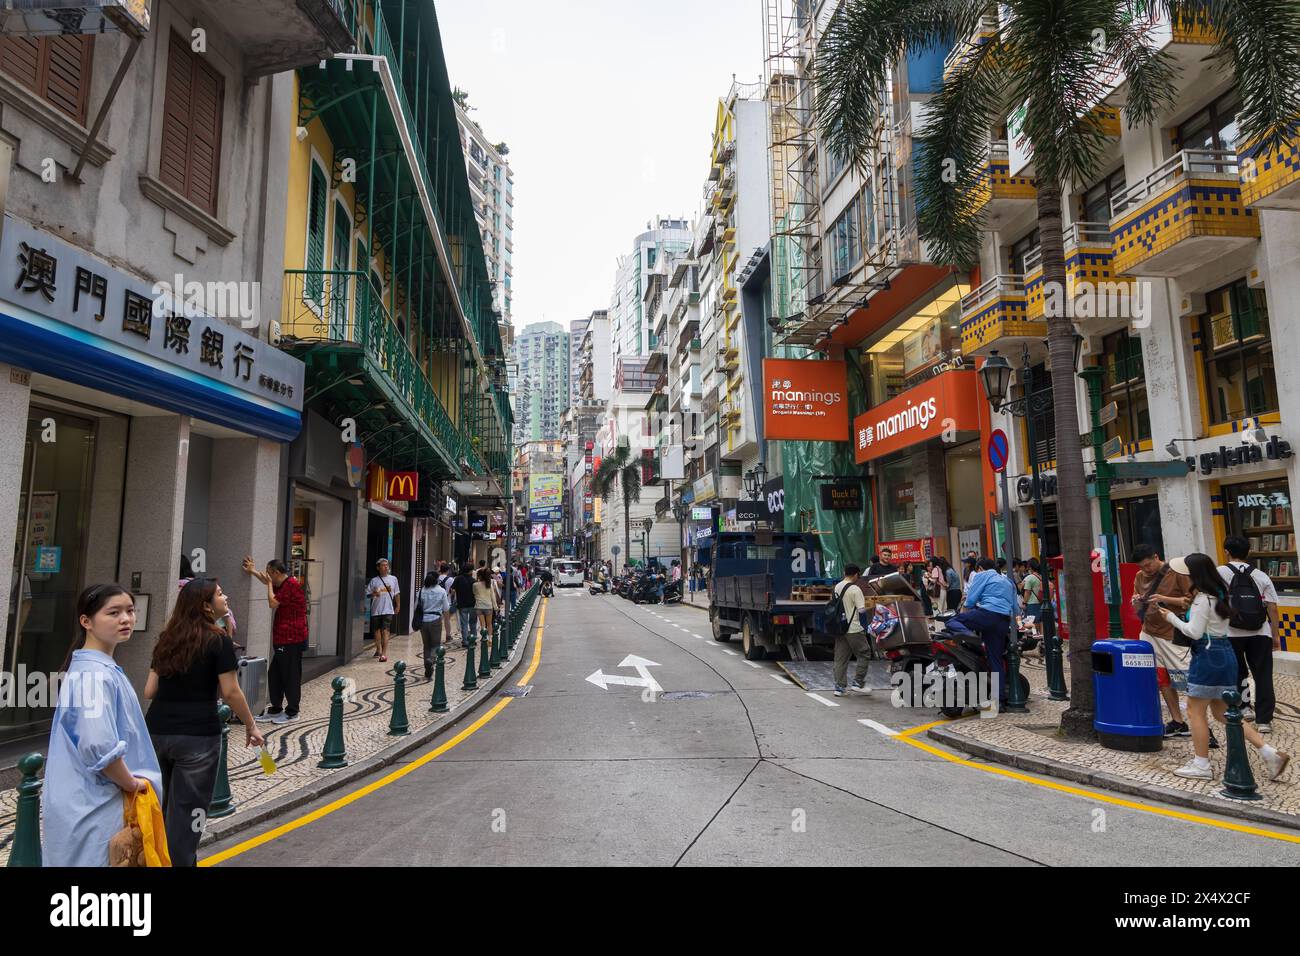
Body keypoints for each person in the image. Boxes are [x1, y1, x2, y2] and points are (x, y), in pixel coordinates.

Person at [144, 578, 263, 866]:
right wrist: (251, 725)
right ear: (205, 605)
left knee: (156, 810)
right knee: (188, 817)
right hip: (197, 736)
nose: (227, 598)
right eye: (220, 594)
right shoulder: (218, 639)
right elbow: (231, 691)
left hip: (156, 731)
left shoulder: (167, 638)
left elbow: (149, 691)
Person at [44, 585, 163, 867]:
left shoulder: (94, 669)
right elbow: (98, 745)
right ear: (86, 621)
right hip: (96, 807)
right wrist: (132, 783)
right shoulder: (94, 675)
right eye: (114, 613)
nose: (126, 619)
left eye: (130, 611)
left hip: (87, 804)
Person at [1156, 554, 1289, 781]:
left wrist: (1171, 618)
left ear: (1193, 575)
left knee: (1194, 711)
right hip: (1224, 653)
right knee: (1223, 713)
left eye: (1183, 573)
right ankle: (1269, 753)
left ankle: (1201, 765)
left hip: (1207, 656)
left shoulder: (1202, 600)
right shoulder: (1218, 595)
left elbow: (1194, 632)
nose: (1180, 575)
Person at [1131, 544, 1196, 738]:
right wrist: (1136, 602)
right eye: (1141, 567)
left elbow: (1191, 600)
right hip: (1149, 632)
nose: (1146, 570)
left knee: (1187, 679)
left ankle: (1202, 724)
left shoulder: (1177, 572)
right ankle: (1178, 721)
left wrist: (1164, 599)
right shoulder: (1139, 577)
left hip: (1173, 633)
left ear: (1156, 556)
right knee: (1162, 679)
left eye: (1148, 565)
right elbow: (1138, 609)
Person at [1215, 536, 1279, 732]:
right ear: (1248, 552)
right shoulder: (1261, 575)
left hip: (1230, 632)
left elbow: (1214, 602)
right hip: (1260, 632)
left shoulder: (1219, 573)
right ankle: (1264, 720)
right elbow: (1272, 608)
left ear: (1226, 551)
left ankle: (1244, 707)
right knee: (1263, 674)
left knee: (1237, 671)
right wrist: (1275, 635)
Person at [243, 557, 308, 723]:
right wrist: (253, 571)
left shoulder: (291, 585)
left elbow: (272, 603)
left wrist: (269, 584)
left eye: (269, 573)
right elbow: (267, 581)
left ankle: (292, 712)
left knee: (290, 675)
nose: (267, 576)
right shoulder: (283, 584)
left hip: (291, 639)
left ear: (276, 572)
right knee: (275, 675)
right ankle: (276, 709)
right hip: (283, 639)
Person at [958, 557, 1018, 710]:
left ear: (979, 568)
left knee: (953, 621)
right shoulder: (1008, 581)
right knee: (995, 660)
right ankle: (1000, 701)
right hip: (1003, 620)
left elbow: (970, 601)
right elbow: (1016, 608)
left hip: (986, 615)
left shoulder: (981, 575)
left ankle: (960, 643)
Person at [831, 564, 872, 698]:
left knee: (840, 658)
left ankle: (839, 687)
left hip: (840, 627)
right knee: (864, 652)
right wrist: (866, 628)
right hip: (853, 628)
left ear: (844, 572)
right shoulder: (855, 589)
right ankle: (858, 683)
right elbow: (861, 611)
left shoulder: (837, 587)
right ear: (856, 574)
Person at [415, 571, 451, 679]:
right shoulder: (441, 591)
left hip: (423, 621)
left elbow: (416, 606)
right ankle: (431, 660)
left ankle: (427, 666)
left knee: (426, 645)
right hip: (435, 620)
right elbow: (446, 608)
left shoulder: (421, 591)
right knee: (435, 644)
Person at [367, 558, 401, 663]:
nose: (386, 567)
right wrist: (374, 594)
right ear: (378, 568)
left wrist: (398, 605)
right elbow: (368, 595)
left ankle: (384, 654)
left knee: (385, 631)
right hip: (376, 609)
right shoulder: (374, 580)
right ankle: (378, 649)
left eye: (387, 565)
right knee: (377, 631)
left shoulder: (393, 579)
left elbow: (396, 593)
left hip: (388, 609)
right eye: (383, 565)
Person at [453, 564, 477, 648]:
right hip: (473, 604)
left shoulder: (458, 579)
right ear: (470, 571)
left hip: (462, 604)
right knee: (473, 622)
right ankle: (473, 639)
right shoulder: (473, 580)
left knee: (464, 623)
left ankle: (465, 641)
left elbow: (452, 590)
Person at [1020, 558, 1045, 636]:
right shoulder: (1041, 576)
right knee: (1040, 621)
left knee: (1033, 622)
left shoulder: (1030, 578)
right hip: (1041, 602)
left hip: (1032, 603)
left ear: (1030, 567)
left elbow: (1027, 592)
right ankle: (1042, 639)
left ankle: (1036, 638)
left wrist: (1024, 602)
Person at [474, 566, 497, 641]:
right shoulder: (489, 585)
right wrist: (496, 607)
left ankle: (484, 637)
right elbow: (493, 597)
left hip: (479, 606)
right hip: (488, 606)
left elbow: (474, 594)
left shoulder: (475, 585)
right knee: (489, 624)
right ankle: (490, 639)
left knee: (482, 624)